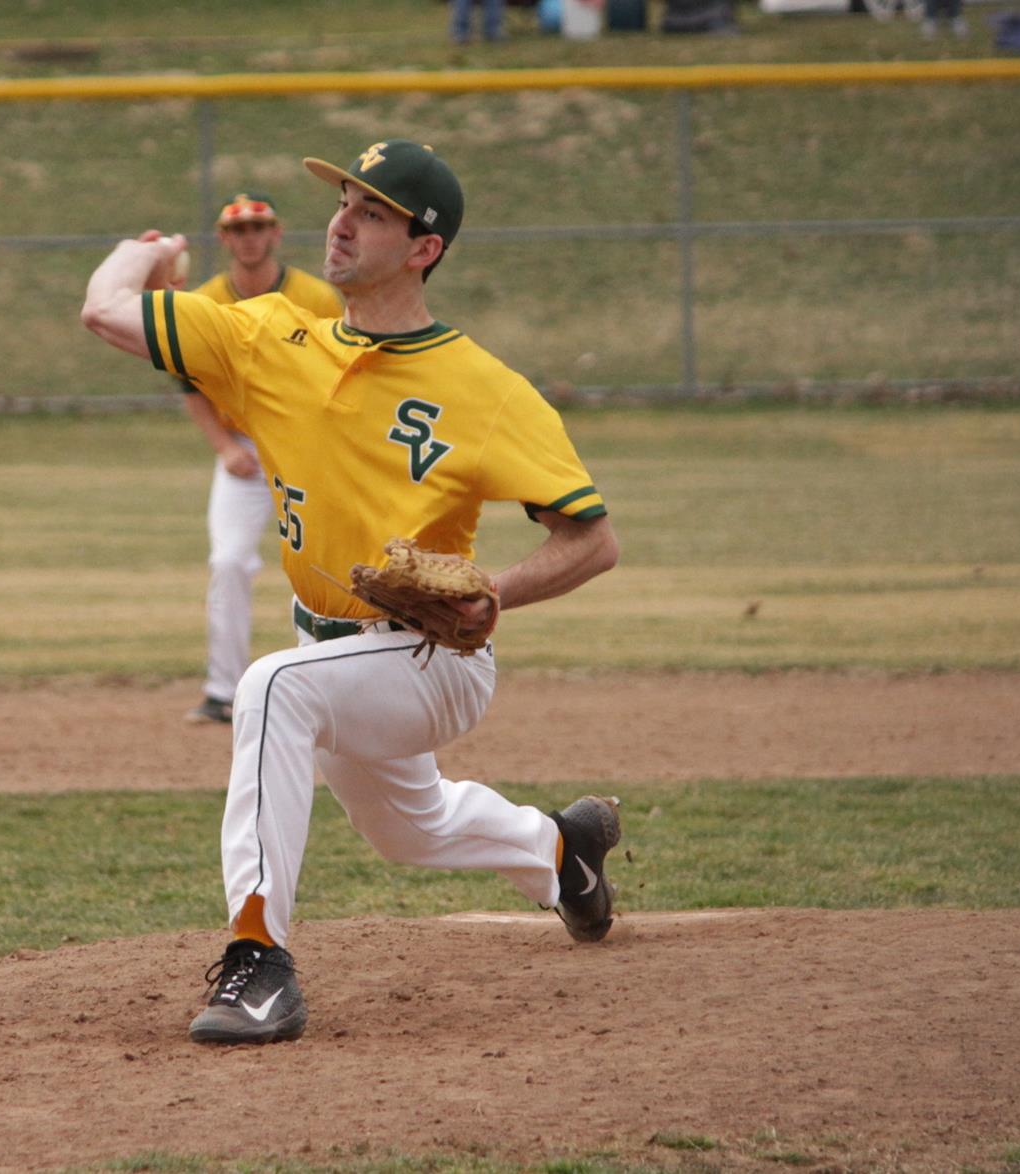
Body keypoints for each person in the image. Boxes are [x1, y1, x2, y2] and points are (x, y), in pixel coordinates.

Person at [81, 139, 622, 1046]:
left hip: (432, 658)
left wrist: (493, 592)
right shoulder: (267, 339)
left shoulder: (486, 390)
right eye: (343, 203)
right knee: (412, 829)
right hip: (330, 649)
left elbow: (592, 541)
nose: (341, 223)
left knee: (269, 689)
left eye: (372, 212)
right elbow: (104, 309)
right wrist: (147, 252)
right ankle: (565, 852)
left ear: (424, 248)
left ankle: (259, 962)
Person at [181, 193, 343, 727]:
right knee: (228, 562)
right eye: (238, 229)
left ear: (276, 233)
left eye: (258, 226)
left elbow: (341, 374)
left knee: (325, 565)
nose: (248, 237)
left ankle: (335, 683)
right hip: (244, 454)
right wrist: (224, 448)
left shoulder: (315, 297)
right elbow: (190, 384)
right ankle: (222, 692)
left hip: (304, 448)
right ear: (224, 238)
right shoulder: (206, 302)